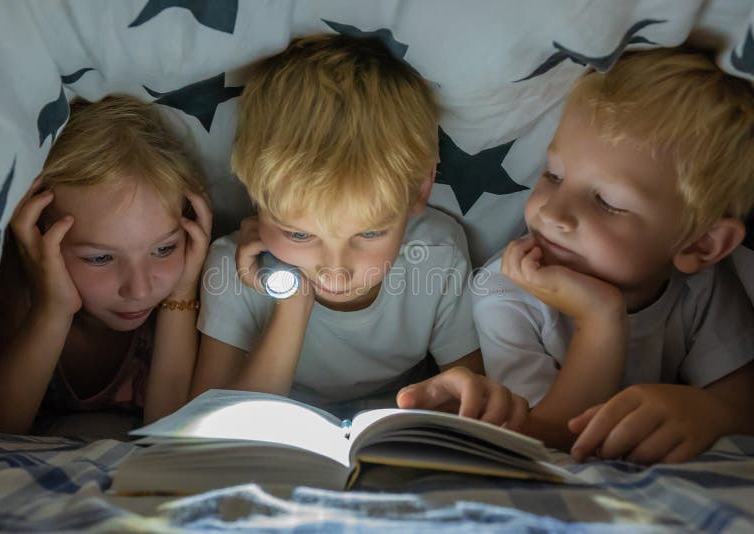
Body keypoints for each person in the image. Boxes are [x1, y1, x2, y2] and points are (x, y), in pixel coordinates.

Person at [191, 34, 528, 428]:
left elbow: (474, 398)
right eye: (299, 235)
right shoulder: (230, 267)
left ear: (420, 189)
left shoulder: (437, 254)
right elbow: (208, 427)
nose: (336, 271)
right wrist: (294, 303)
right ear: (256, 196)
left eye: (369, 234)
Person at [468, 46, 754, 463]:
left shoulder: (702, 289)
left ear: (701, 245)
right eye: (554, 175)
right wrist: (598, 319)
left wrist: (710, 412)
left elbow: (742, 402)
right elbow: (541, 440)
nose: (553, 212)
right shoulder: (506, 289)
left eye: (607, 202)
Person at [0, 95, 212, 433]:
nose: (139, 289)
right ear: (37, 237)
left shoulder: (200, 295)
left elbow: (172, 437)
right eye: (100, 257)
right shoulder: (17, 292)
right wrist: (53, 309)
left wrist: (182, 292)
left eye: (164, 249)